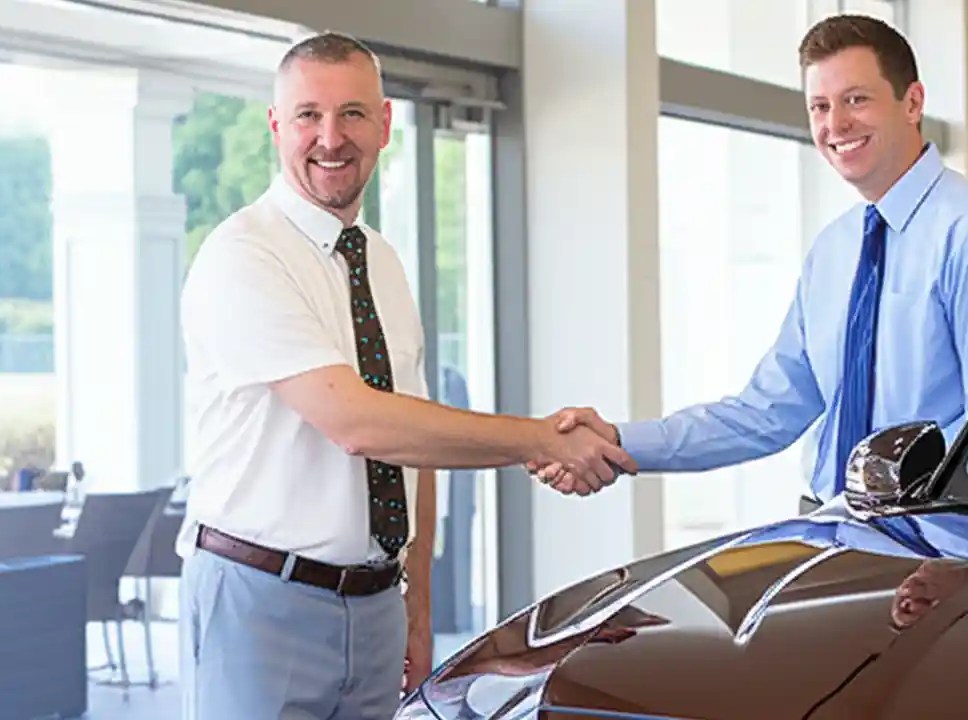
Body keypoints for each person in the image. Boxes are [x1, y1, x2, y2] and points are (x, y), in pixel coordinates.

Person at [175, 32, 636, 720]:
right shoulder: (243, 256)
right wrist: (542, 439)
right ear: (276, 126)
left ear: (385, 123)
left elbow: (412, 446)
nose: (331, 138)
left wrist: (416, 599)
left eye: (353, 114)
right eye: (308, 115)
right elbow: (359, 423)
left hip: (375, 608)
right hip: (258, 603)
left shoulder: (381, 262)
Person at [533, 14, 968, 513]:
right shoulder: (834, 249)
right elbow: (766, 413)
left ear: (912, 102)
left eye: (856, 100)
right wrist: (620, 442)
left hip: (933, 541)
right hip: (828, 527)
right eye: (819, 106)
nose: (835, 124)